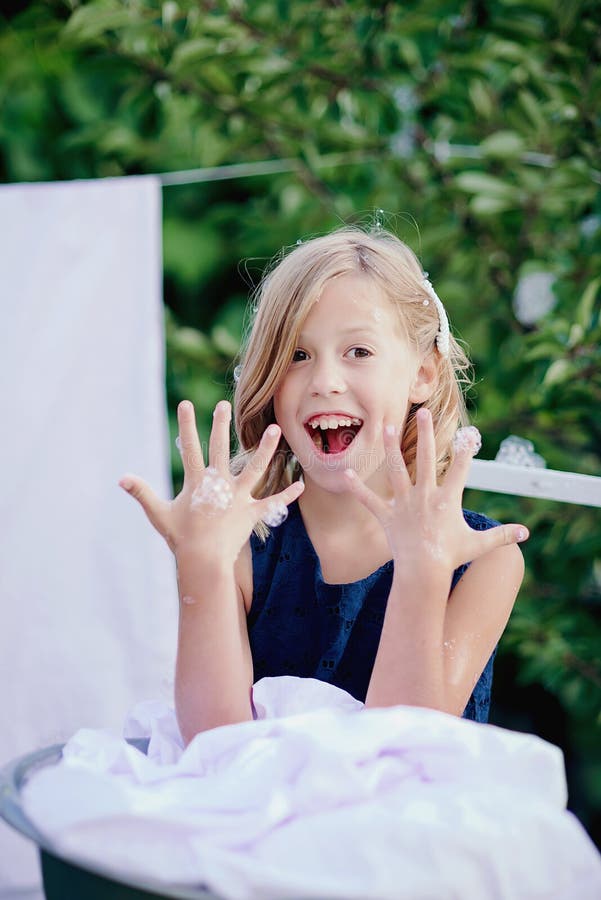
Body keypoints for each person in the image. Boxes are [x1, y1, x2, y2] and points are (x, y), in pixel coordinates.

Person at [119, 226, 529, 745]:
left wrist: (423, 568)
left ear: (423, 375)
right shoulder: (243, 549)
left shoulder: (484, 560)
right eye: (296, 355)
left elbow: (405, 751)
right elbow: (214, 746)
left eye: (358, 351)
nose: (324, 380)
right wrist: (200, 564)